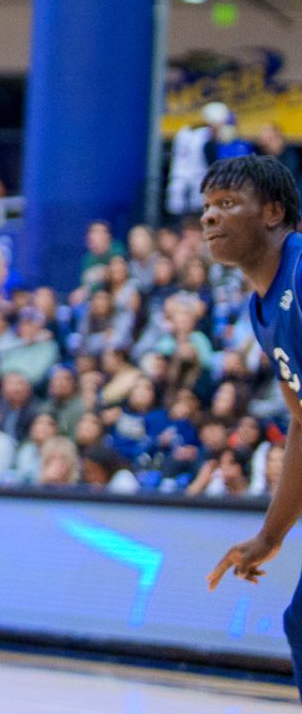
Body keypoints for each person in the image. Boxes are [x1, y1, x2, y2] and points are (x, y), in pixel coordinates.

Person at [202, 154, 302, 699]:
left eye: (226, 204)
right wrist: (270, 535)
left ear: (272, 212)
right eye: (207, 208)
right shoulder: (261, 312)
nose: (209, 219)